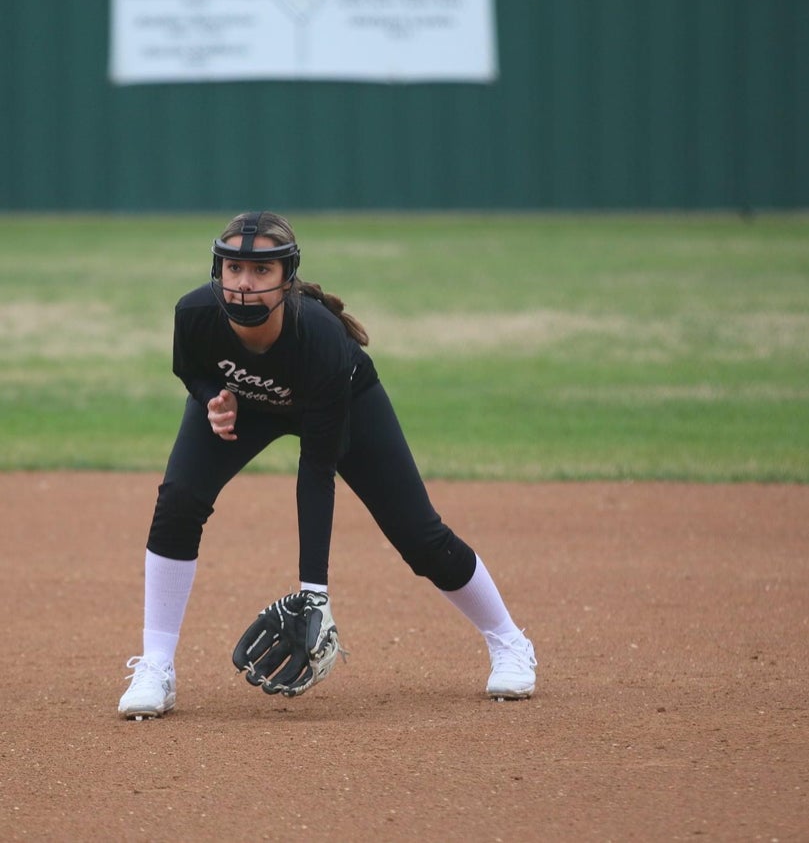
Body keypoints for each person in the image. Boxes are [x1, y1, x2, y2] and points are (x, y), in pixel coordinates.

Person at [118, 211, 537, 719]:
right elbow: (190, 368)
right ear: (217, 271)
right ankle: (156, 668)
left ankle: (510, 643)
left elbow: (316, 470)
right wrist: (213, 397)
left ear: (287, 277)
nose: (244, 285)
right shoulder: (195, 312)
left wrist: (313, 592)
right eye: (233, 269)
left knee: (420, 538)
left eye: (261, 271)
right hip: (245, 402)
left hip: (341, 400)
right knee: (178, 502)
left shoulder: (319, 339)